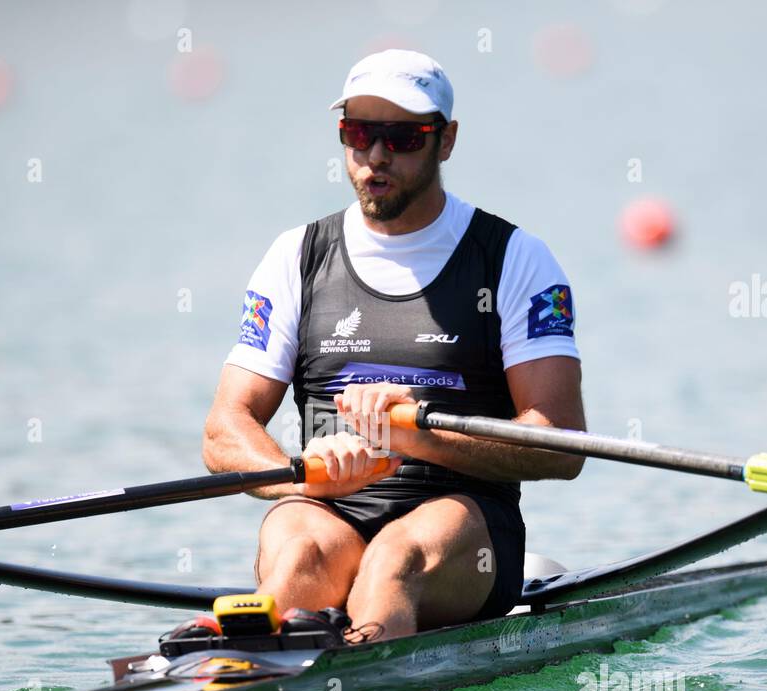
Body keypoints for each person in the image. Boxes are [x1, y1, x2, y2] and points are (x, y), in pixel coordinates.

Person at [202, 49, 585, 641]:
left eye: (403, 136)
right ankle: (250, 666)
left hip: (462, 523)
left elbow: (561, 445)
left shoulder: (514, 260)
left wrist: (418, 436)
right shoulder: (296, 257)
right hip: (328, 508)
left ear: (446, 140)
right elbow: (225, 431)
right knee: (299, 555)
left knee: (390, 564)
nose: (375, 156)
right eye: (358, 133)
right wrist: (303, 477)